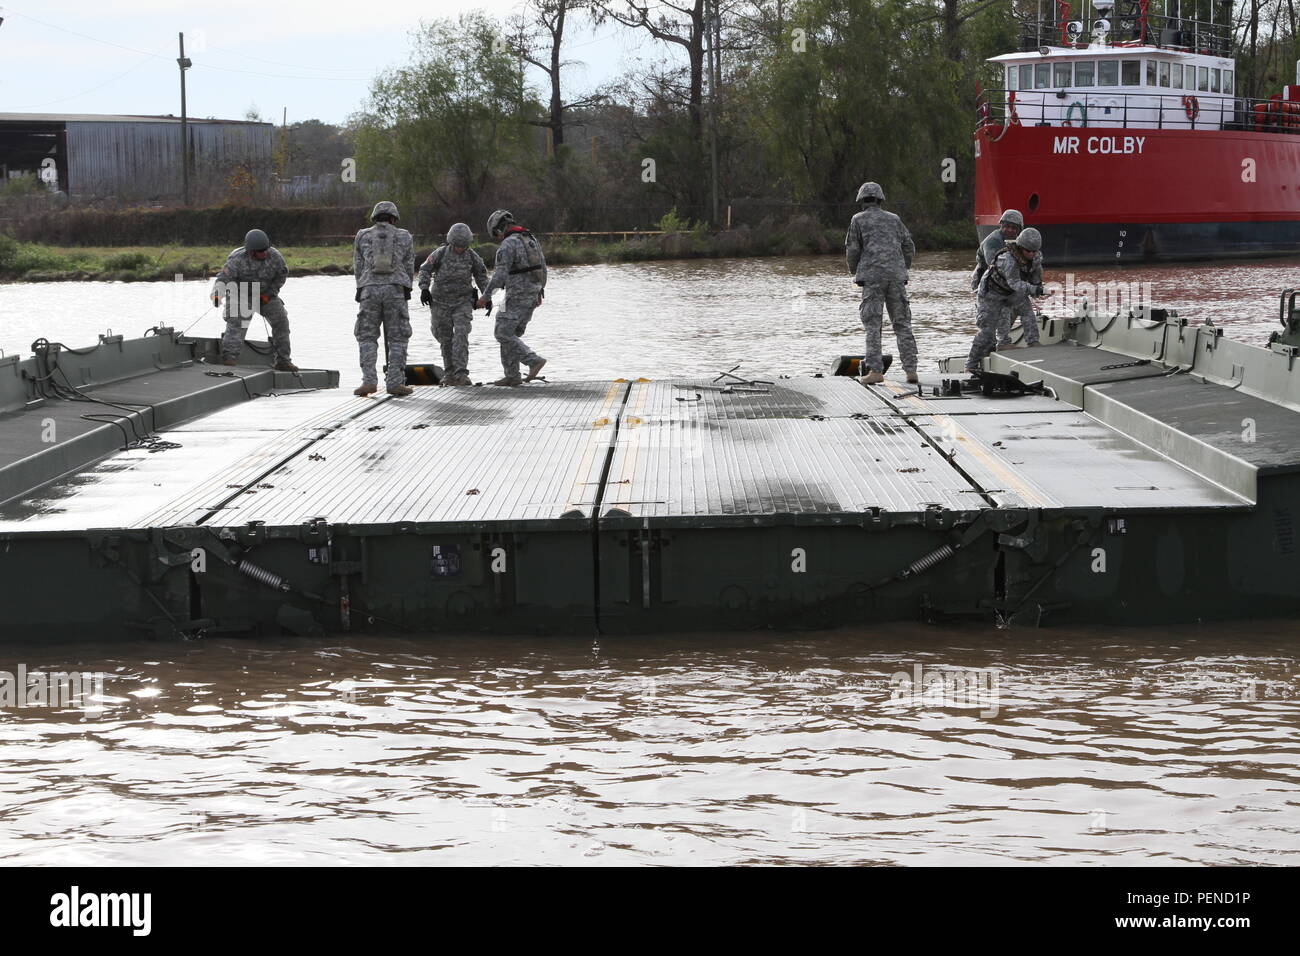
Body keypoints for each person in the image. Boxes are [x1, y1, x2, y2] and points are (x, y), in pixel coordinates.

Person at [845, 182, 919, 384]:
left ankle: (876, 371)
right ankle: (911, 371)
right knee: (903, 324)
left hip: (872, 279)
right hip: (896, 278)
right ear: (880, 199)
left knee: (873, 325)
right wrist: (902, 267)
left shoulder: (858, 220)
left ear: (861, 201)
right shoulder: (894, 219)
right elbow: (908, 245)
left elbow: (852, 250)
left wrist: (854, 272)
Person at [352, 201, 416, 397]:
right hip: (395, 290)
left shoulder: (362, 235)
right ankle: (395, 383)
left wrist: (360, 288)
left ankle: (369, 382)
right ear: (394, 218)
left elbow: (358, 265)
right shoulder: (404, 236)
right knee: (398, 338)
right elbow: (409, 264)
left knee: (367, 336)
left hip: (369, 290)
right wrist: (408, 288)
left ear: (375, 217)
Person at [210, 228, 297, 371]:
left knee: (281, 321)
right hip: (240, 294)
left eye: (265, 250)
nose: (264, 253)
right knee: (237, 322)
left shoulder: (275, 257)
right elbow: (223, 278)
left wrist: (269, 294)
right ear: (251, 251)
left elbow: (281, 276)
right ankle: (229, 361)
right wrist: (217, 295)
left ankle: (283, 361)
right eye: (260, 251)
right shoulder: (237, 259)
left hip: (265, 294)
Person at [478, 209, 547, 386]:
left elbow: (499, 275)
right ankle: (512, 376)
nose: (497, 238)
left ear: (499, 229)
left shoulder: (508, 245)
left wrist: (485, 297)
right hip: (532, 294)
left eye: (496, 234)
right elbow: (543, 267)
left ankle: (533, 360)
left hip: (515, 295)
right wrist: (540, 291)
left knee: (501, 332)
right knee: (511, 334)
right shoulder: (530, 239)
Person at [966, 226, 1044, 376]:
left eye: (1035, 251)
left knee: (1027, 310)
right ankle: (971, 364)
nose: (1032, 254)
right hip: (990, 294)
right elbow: (1014, 282)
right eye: (1029, 251)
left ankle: (1032, 340)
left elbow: (1035, 277)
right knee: (987, 331)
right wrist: (1034, 289)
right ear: (1021, 248)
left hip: (1010, 293)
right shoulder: (1008, 259)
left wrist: (1038, 286)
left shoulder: (1035, 258)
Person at [418, 222, 488, 386]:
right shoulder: (440, 253)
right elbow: (425, 269)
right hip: (440, 302)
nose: (460, 249)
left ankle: (462, 374)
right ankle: (449, 374)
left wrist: (487, 296)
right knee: (445, 337)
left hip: (462, 301)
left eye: (463, 246)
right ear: (451, 242)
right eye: (457, 246)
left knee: (461, 334)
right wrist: (424, 288)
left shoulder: (472, 256)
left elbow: (481, 275)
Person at [971, 209, 1025, 350]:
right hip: (987, 282)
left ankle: (1002, 340)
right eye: (1006, 226)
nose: (1009, 230)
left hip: (1005, 281)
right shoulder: (993, 241)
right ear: (1001, 225)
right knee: (990, 316)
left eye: (1014, 228)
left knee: (1012, 307)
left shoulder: (1017, 241)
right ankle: (993, 345)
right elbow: (994, 264)